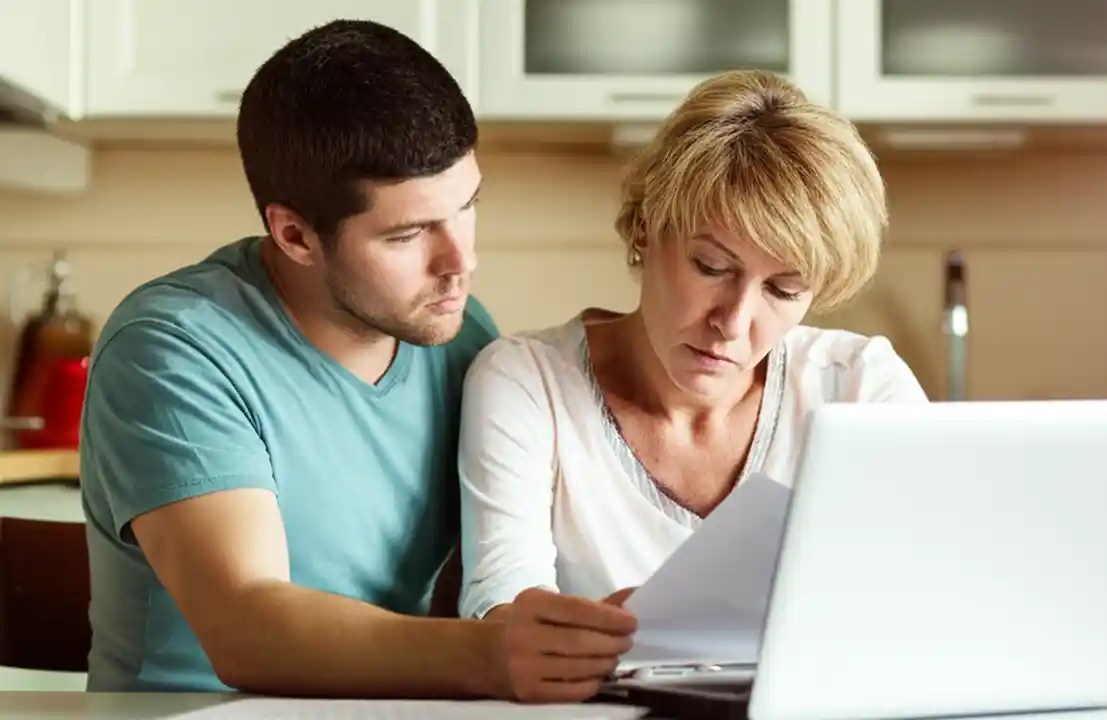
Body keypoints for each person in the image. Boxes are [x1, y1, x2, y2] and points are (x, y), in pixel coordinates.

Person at [79, 20, 635, 701]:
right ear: (294, 235)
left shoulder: (460, 334)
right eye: (407, 235)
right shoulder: (173, 349)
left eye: (467, 208)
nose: (461, 263)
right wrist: (489, 655)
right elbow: (246, 623)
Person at [458, 70, 928, 620]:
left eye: (783, 289)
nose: (733, 322)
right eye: (711, 267)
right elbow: (499, 604)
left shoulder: (859, 386)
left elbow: (928, 588)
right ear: (646, 228)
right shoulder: (529, 384)